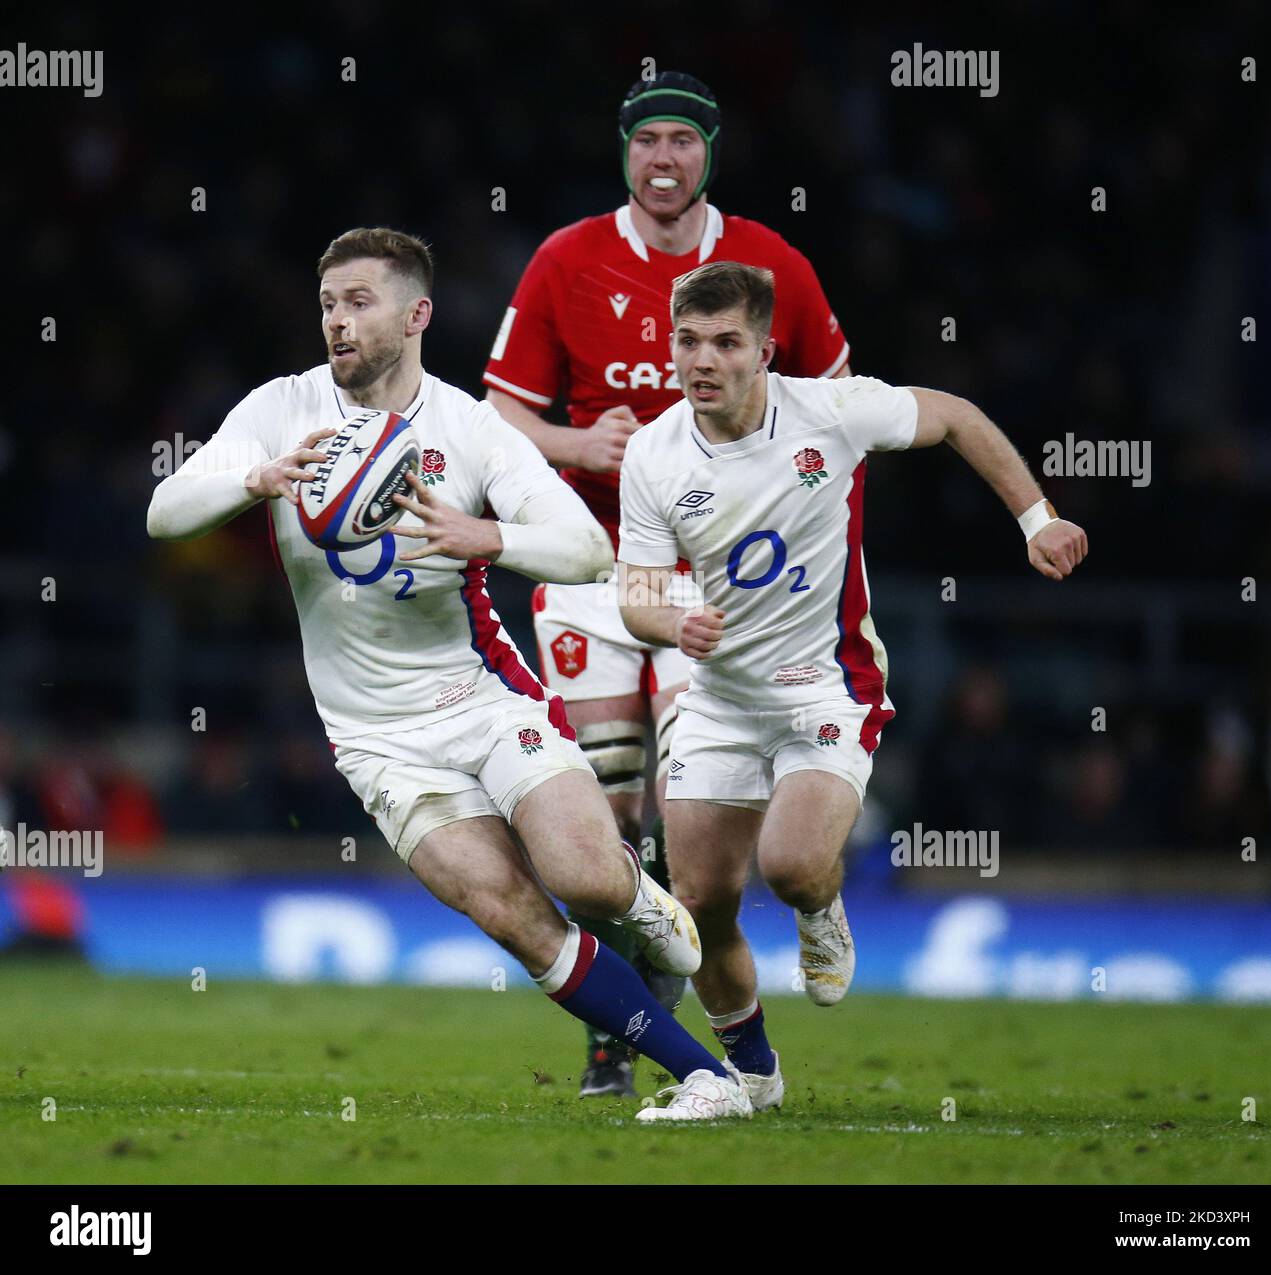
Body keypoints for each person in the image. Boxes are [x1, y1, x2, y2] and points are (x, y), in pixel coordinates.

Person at [147, 227, 754, 1123]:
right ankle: (706, 1077)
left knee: (585, 878)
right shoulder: (279, 411)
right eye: (327, 304)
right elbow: (165, 512)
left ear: (416, 314)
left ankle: (644, 910)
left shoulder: (469, 426)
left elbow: (588, 548)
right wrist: (257, 478)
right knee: (513, 912)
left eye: (359, 302)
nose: (337, 322)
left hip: (485, 698)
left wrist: (490, 537)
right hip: (377, 740)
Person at [617, 260, 1088, 1111]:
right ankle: (752, 1074)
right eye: (688, 340)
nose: (703, 360)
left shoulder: (831, 413)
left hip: (825, 689)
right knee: (701, 901)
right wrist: (671, 622)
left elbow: (956, 417)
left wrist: (1038, 517)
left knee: (792, 865)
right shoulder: (652, 454)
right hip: (717, 700)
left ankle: (820, 903)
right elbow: (636, 592)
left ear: (765, 350)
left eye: (727, 342)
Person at [484, 70, 853, 1097]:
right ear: (624, 154)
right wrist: (569, 438)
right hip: (592, 571)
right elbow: (497, 410)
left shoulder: (773, 263)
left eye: (682, 142)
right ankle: (626, 1027)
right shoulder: (566, 259)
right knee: (601, 823)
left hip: (718, 588)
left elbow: (836, 410)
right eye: (646, 140)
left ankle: (719, 1032)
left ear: (709, 154)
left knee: (697, 843)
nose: (663, 159)